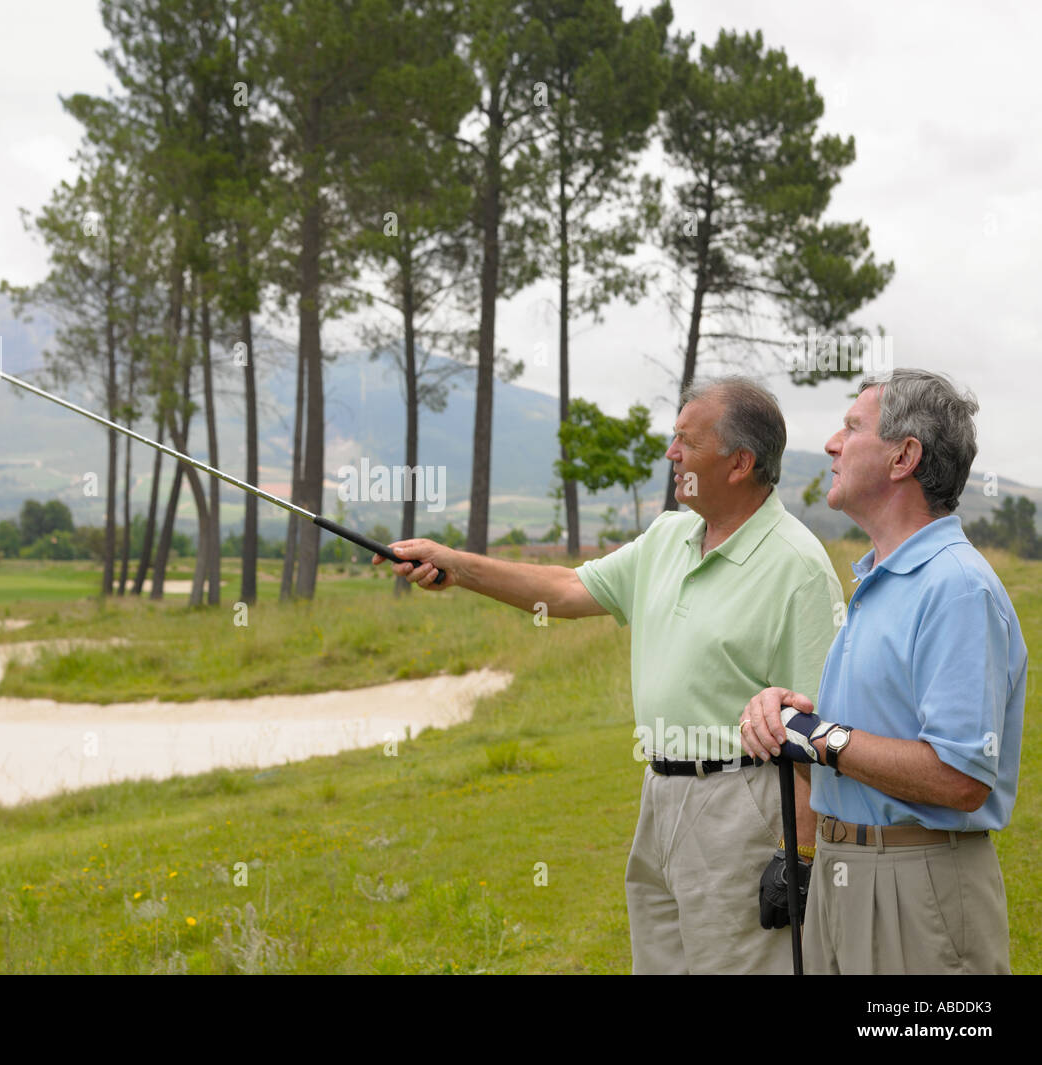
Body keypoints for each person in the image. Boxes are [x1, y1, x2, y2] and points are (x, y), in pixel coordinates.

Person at [380, 377, 843, 974]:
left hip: (743, 805)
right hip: (659, 795)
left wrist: (799, 852)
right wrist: (457, 567)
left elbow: (814, 729)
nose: (671, 454)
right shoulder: (670, 535)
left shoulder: (798, 567)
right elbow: (570, 588)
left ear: (740, 462)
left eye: (685, 441)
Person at [740, 369, 1027, 974]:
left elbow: (960, 776)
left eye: (851, 427)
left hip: (918, 884)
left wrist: (821, 738)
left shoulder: (956, 588)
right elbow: (863, 740)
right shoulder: (879, 581)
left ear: (904, 456)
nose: (831, 445)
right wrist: (793, 720)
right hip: (846, 877)